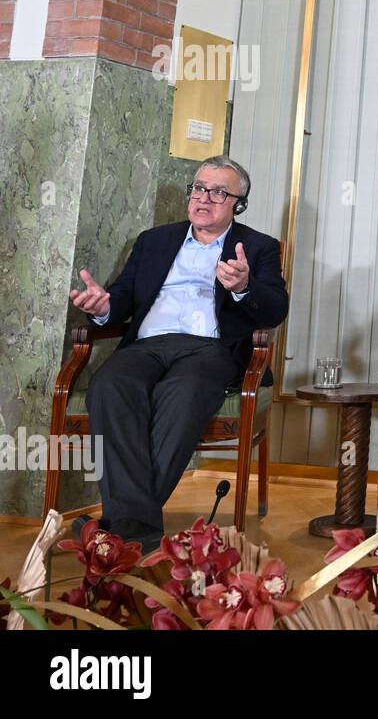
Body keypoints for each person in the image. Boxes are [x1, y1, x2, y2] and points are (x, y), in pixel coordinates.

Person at [68, 155, 288, 552]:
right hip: (147, 344)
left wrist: (244, 287)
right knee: (110, 384)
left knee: (184, 392)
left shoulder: (258, 248)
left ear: (238, 203)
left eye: (219, 192)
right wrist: (103, 308)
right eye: (199, 188)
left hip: (210, 348)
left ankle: (119, 529)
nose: (204, 198)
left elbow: (275, 310)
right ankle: (136, 532)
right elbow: (120, 297)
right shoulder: (154, 240)